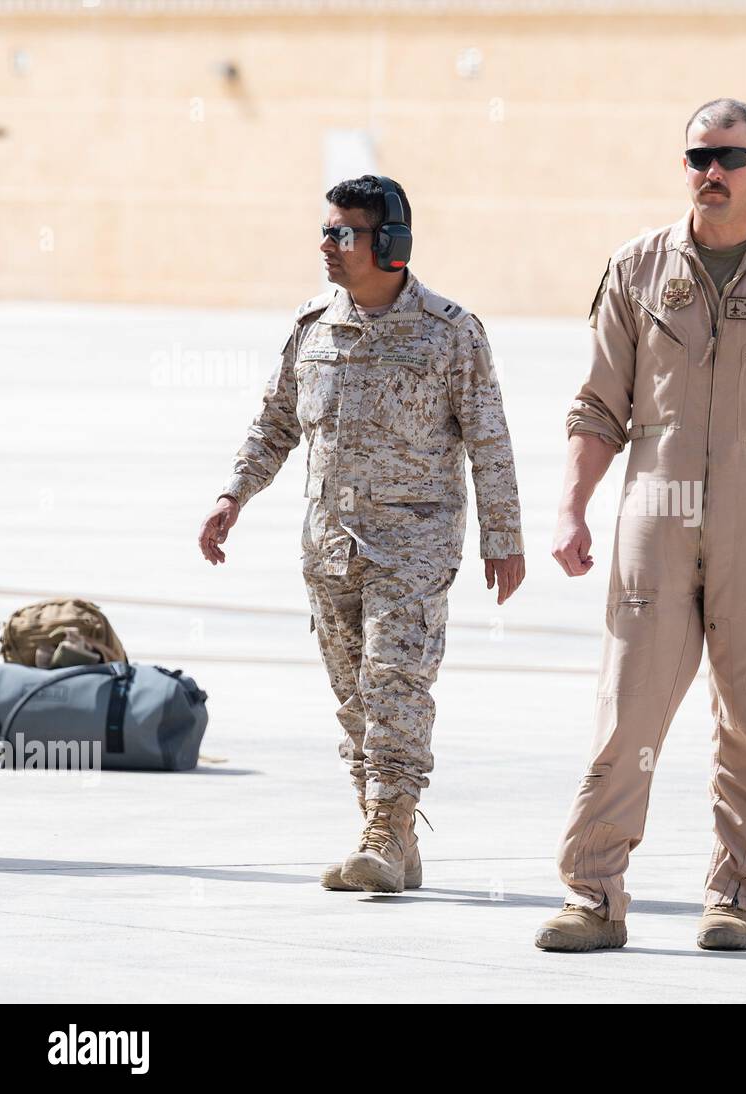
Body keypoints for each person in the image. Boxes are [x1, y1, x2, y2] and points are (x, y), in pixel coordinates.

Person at [537, 100, 746, 953]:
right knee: (628, 712)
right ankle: (595, 895)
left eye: (729, 156)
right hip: (654, 511)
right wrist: (573, 506)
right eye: (697, 157)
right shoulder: (637, 269)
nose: (711, 172)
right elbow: (599, 403)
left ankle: (733, 894)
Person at [197, 174, 525, 891]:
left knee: (396, 684)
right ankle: (388, 834)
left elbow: (489, 439)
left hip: (413, 547)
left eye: (344, 233)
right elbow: (276, 423)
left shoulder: (450, 331)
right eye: (326, 230)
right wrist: (233, 495)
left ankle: (387, 824)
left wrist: (504, 535)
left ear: (392, 243)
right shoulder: (312, 324)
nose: (327, 244)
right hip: (329, 546)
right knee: (354, 699)